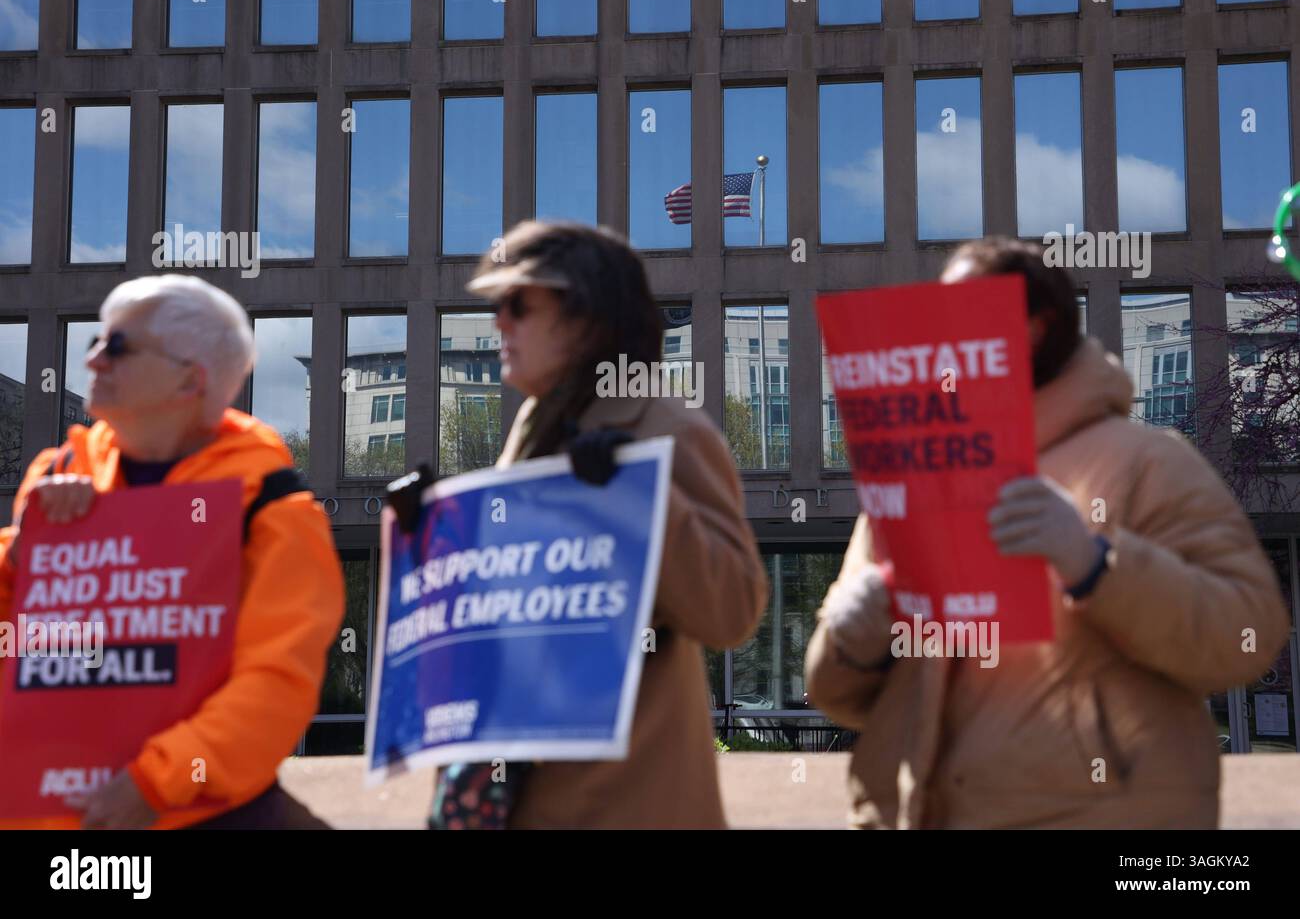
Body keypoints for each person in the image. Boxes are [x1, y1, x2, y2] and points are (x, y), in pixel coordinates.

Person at [805, 237, 1290, 829]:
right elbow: (836, 696)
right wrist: (852, 638)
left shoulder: (1149, 463)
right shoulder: (912, 480)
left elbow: (1248, 633)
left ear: (1036, 328)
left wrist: (1095, 566)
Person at [430, 220, 768, 829]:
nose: (498, 322)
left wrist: (638, 497)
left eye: (518, 304)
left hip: (624, 802)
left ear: (588, 318)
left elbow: (733, 610)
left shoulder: (670, 429)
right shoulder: (535, 425)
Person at [0, 275, 344, 829]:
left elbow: (276, 682)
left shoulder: (272, 507)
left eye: (116, 346)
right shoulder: (55, 475)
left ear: (191, 379)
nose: (93, 361)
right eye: (94, 342)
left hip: (205, 814)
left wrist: (155, 783)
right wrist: (18, 557)